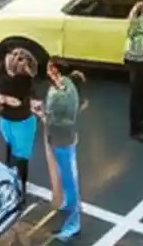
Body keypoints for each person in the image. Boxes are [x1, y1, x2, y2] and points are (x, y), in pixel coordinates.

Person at [38, 58, 84, 240]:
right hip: (64, 138)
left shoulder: (61, 94)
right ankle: (69, 206)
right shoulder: (67, 86)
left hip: (62, 140)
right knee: (66, 177)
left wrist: (43, 115)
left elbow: (56, 119)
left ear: (55, 70)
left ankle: (74, 223)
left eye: (49, 68)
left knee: (70, 181)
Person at [0, 47, 39, 187]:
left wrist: (4, 99)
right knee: (15, 155)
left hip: (15, 121)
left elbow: (21, 99)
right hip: (16, 121)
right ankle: (17, 181)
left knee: (15, 155)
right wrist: (4, 99)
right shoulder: (4, 73)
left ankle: (17, 182)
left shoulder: (21, 78)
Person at [124, 0, 143, 141]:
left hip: (134, 60)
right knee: (139, 96)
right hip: (141, 61)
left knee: (138, 95)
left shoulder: (132, 23)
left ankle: (137, 125)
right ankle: (136, 128)